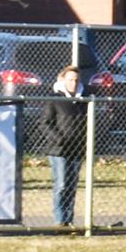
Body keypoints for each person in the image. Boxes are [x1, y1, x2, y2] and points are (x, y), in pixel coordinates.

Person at [40, 65, 87, 228]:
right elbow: (45, 123)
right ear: (63, 80)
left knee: (72, 185)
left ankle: (69, 220)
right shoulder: (54, 99)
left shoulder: (84, 100)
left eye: (76, 80)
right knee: (61, 185)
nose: (73, 83)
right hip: (59, 150)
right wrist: (59, 139)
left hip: (77, 149)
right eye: (70, 80)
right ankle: (59, 220)